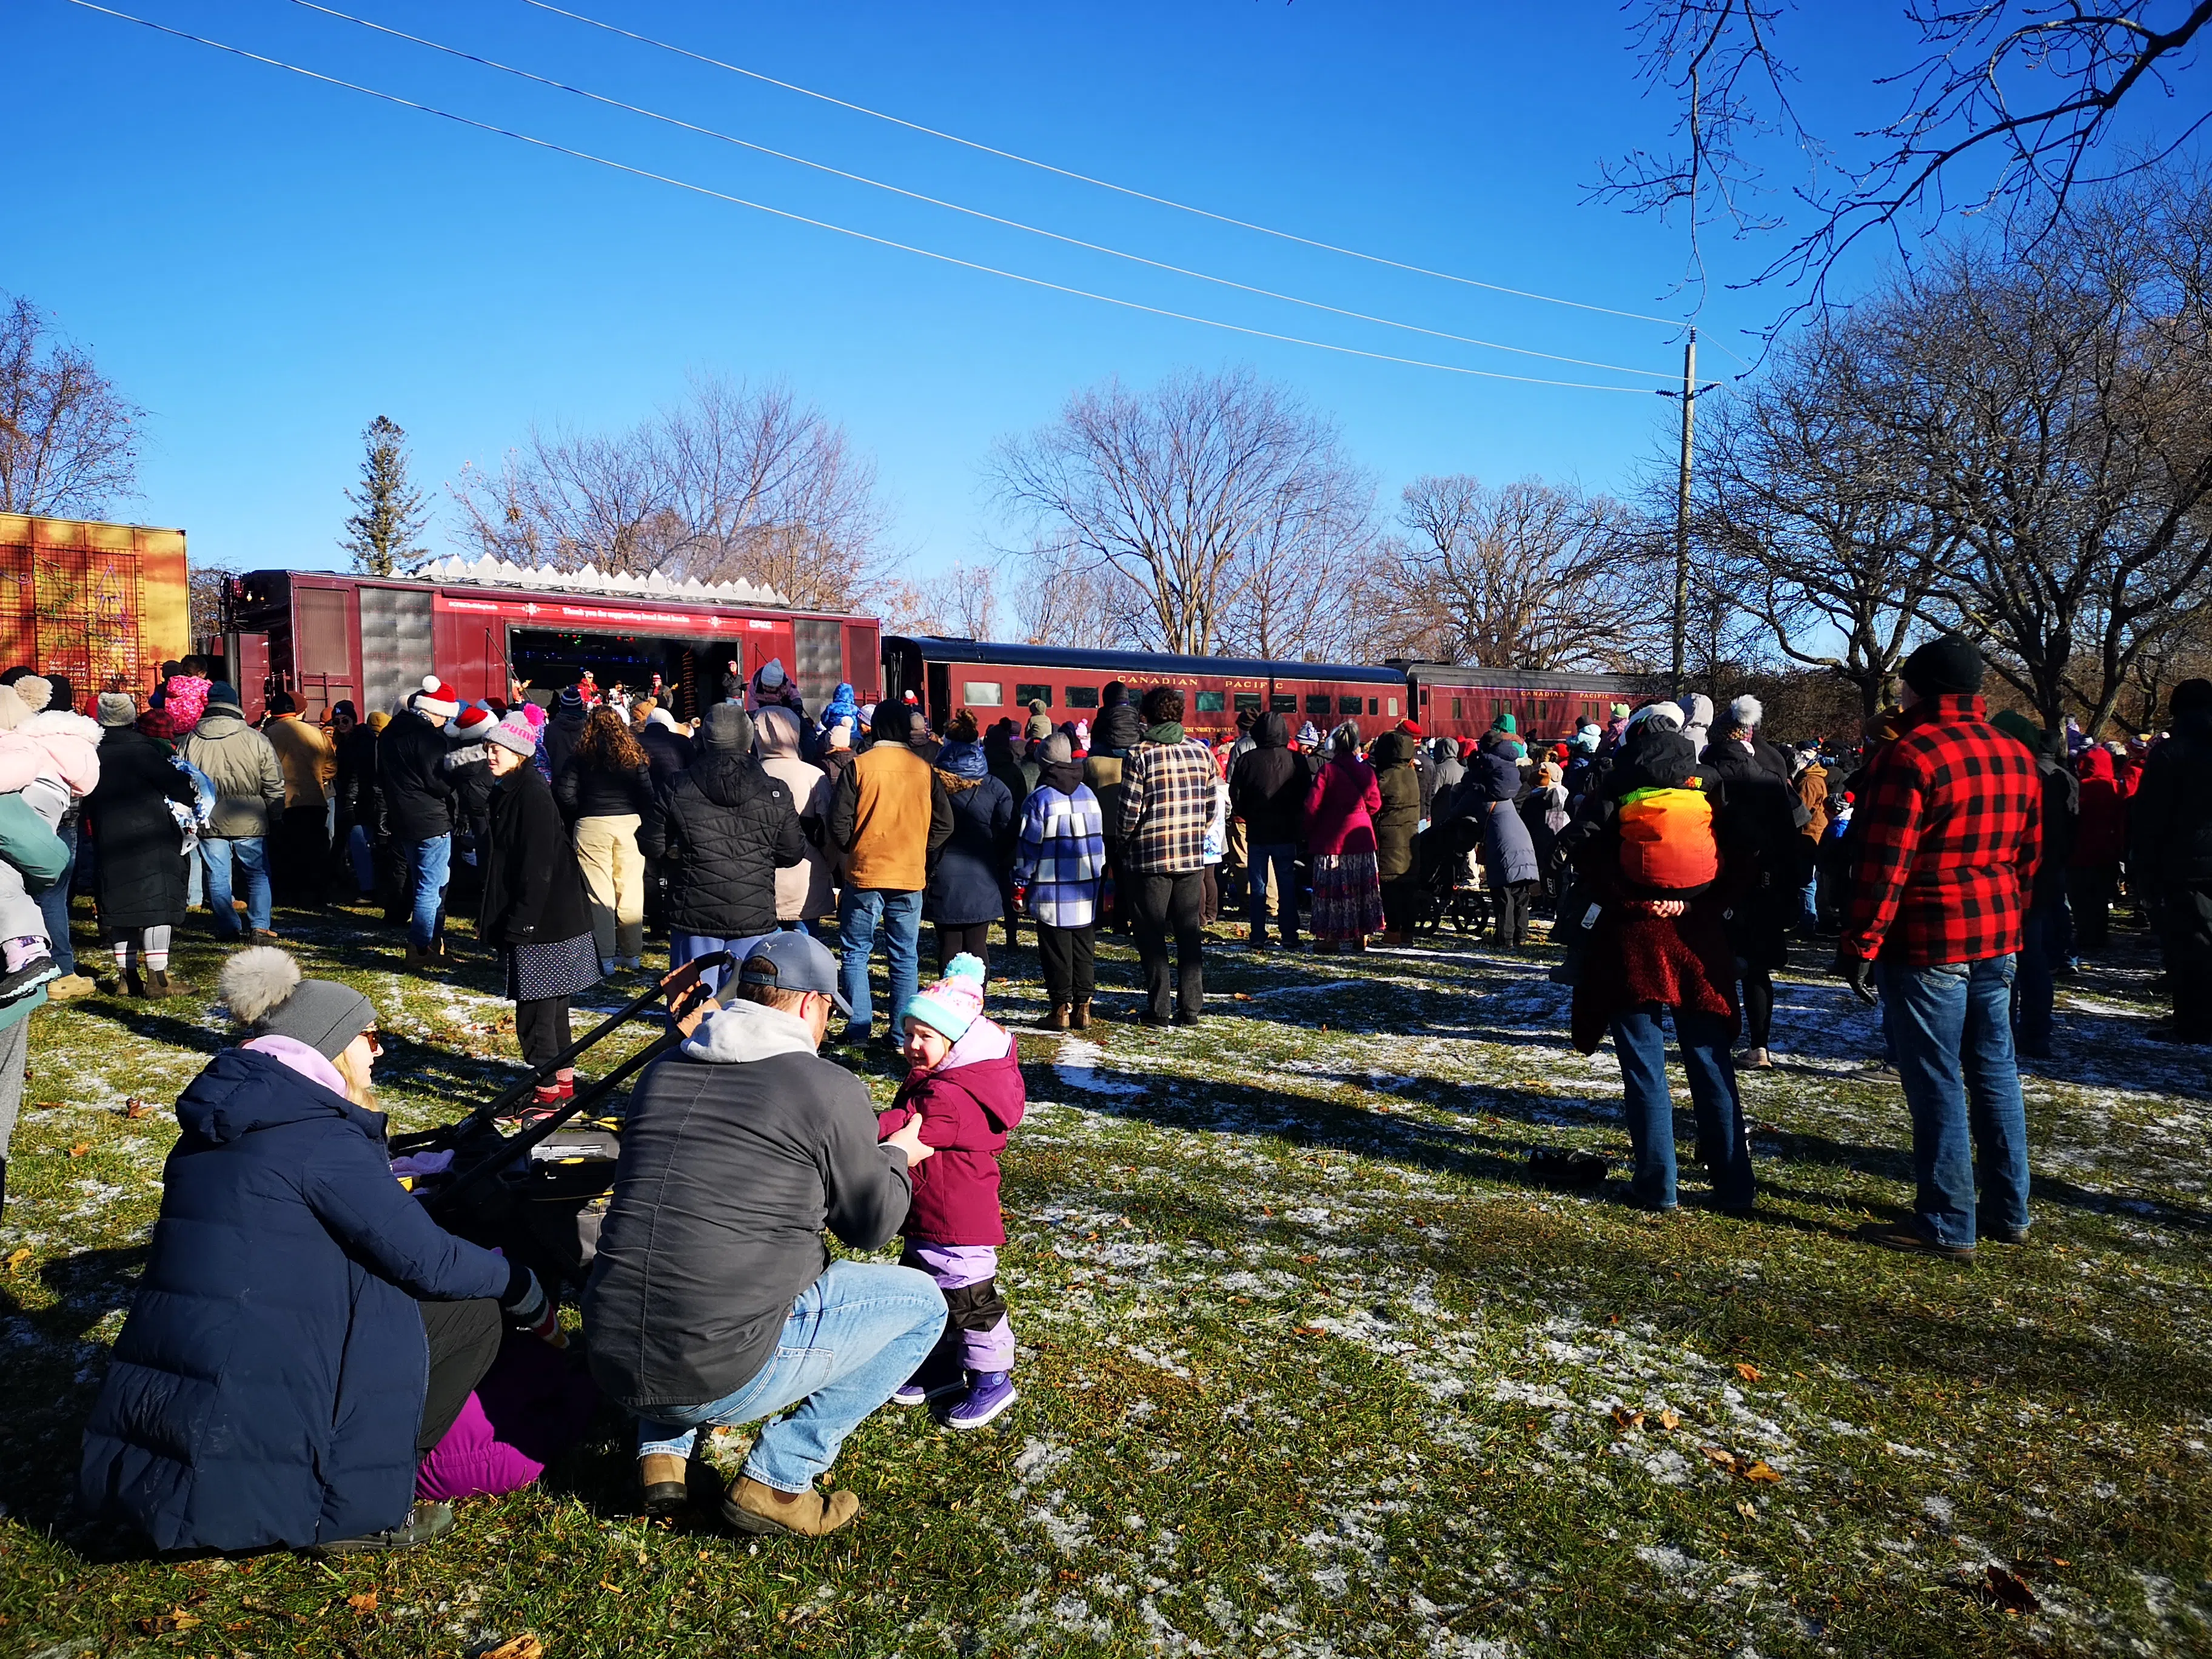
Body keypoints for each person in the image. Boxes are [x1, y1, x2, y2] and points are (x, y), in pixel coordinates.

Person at [78, 947, 560, 1555]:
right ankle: (359, 1500)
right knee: (472, 1311)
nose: (380, 1051)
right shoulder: (319, 1137)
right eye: (371, 1036)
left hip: (192, 1363)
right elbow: (429, 1262)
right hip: (267, 1368)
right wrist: (517, 1280)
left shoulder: (229, 1117)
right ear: (330, 1045)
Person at [582, 933, 944, 1537]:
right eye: (831, 1012)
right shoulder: (826, 1088)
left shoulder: (663, 1072)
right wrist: (896, 1157)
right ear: (810, 1006)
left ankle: (661, 1455)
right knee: (924, 1306)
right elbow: (871, 1226)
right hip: (720, 1368)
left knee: (680, 1249)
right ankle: (779, 1480)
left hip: (612, 1352)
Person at [1837, 634, 2040, 1258]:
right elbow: (2029, 855)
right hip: (1995, 933)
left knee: (1936, 1080)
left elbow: (1883, 865)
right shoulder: (2014, 751)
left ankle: (1949, 1221)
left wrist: (1859, 944)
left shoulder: (1913, 755)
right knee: (1995, 1071)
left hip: (1929, 938)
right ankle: (2010, 1210)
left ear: (1918, 688)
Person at [1568, 720, 1755, 1215]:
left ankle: (1658, 1185)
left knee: (1645, 1066)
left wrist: (1633, 901)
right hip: (1701, 942)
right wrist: (1698, 907)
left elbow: (1589, 856)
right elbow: (1739, 859)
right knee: (1711, 1063)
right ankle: (1735, 1184)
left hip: (1634, 941)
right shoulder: (1709, 783)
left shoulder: (1616, 783)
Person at [878, 954, 1026, 1428]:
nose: (913, 1046)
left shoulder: (952, 1095)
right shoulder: (943, 1078)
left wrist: (855, 1122)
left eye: (927, 1037)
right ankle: (939, 1368)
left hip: (957, 1222)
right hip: (930, 1212)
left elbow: (909, 1128)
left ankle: (992, 1379)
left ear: (956, 1040)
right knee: (925, 1292)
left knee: (967, 1299)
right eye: (908, 1034)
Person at [479, 711, 602, 1114]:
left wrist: (522, 922)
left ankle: (548, 1094)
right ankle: (561, 1087)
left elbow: (537, 865)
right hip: (554, 919)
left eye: (496, 749)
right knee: (552, 1011)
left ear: (518, 752)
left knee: (537, 1017)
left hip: (544, 923)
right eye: (488, 748)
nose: (489, 755)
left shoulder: (529, 793)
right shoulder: (513, 789)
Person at [644, 703, 803, 997]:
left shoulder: (677, 786)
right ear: (747, 740)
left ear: (704, 740)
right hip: (753, 910)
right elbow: (792, 852)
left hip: (695, 912)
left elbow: (652, 844)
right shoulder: (774, 791)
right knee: (745, 1004)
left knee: (690, 1006)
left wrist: (679, 854)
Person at [829, 700, 953, 1050]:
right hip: (909, 874)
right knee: (905, 955)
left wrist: (854, 847)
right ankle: (902, 1034)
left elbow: (838, 824)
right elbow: (945, 824)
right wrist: (922, 850)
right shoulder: (924, 769)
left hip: (865, 872)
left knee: (856, 952)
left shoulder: (859, 766)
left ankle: (858, 1029)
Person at [1704, 696, 1807, 1069]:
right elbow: (1796, 826)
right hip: (1768, 878)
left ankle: (1721, 1036)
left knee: (1719, 959)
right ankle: (1759, 1045)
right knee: (1758, 965)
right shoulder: (1773, 770)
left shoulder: (1709, 770)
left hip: (1722, 876)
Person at [85, 691, 199, 997]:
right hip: (153, 840)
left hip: (109, 839)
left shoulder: (92, 753)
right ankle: (158, 980)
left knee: (120, 909)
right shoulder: (145, 751)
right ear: (132, 716)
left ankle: (127, 979)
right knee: (156, 908)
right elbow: (182, 790)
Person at [1118, 686, 1216, 1025]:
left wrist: (1123, 842)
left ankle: (1159, 1008)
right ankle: (1192, 1008)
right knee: (1189, 933)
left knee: (1151, 935)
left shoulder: (1139, 754)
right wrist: (1194, 832)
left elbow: (1129, 812)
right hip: (1190, 856)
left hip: (1149, 858)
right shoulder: (1202, 753)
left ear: (1148, 714)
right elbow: (1213, 806)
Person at [0, 677, 99, 999]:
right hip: (62, 824)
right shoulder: (74, 742)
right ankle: (61, 969)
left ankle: (38, 960)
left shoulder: (25, 740)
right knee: (53, 898)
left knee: (16, 887)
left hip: (27, 822)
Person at [2130, 679, 2212, 1042]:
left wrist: (2145, 871)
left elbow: (2150, 817)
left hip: (2185, 865)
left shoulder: (2172, 751)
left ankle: (2194, 1025)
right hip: (2193, 857)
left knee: (2190, 948)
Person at [1992, 711, 2077, 1062]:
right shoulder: (2061, 777)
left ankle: (2010, 1034)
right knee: (2033, 960)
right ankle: (2034, 1034)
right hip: (2046, 874)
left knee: (2011, 963)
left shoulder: (2019, 777)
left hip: (2022, 877)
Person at [1013, 732, 1105, 1028]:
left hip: (1050, 891)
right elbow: (1099, 844)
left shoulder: (1039, 799)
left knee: (1056, 951)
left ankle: (1061, 1009)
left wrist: (1019, 885)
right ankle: (1084, 1007)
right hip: (1085, 886)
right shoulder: (1090, 795)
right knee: (1084, 949)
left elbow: (1028, 849)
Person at [182, 682, 285, 945]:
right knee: (257, 874)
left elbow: (181, 779)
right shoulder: (255, 738)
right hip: (250, 817)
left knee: (217, 876)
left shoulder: (191, 739)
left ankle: (228, 927)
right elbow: (273, 780)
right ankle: (260, 927)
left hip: (208, 817)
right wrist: (275, 812)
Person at [556, 706, 654, 974]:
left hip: (592, 825)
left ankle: (605, 956)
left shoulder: (580, 756)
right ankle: (632, 954)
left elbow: (564, 794)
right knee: (631, 888)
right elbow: (648, 795)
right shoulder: (633, 756)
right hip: (629, 824)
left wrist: (582, 810)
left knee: (598, 892)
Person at [381, 677, 463, 970]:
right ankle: (421, 947)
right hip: (431, 820)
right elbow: (439, 783)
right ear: (437, 711)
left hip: (402, 817)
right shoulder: (429, 738)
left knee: (426, 883)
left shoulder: (390, 732)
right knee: (432, 887)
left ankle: (432, 942)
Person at [925, 716, 1016, 979]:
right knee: (978, 945)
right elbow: (1010, 828)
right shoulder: (995, 786)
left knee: (948, 945)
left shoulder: (934, 784)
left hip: (942, 871)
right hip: (983, 872)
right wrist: (998, 857)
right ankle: (976, 1001)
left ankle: (950, 1001)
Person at [754, 705, 837, 931]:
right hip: (807, 875)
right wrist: (827, 865)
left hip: (760, 880)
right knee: (806, 952)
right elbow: (830, 832)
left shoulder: (751, 776)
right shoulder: (814, 775)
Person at [1304, 725, 1383, 954]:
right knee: (1362, 889)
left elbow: (1312, 806)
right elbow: (1375, 804)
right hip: (1362, 837)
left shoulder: (1327, 771)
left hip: (1333, 840)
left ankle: (1331, 937)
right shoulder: (1367, 771)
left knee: (1334, 891)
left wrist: (1309, 830)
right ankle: (1362, 934)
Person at [1230, 712, 1305, 948]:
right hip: (1285, 831)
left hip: (1257, 831)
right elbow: (1306, 794)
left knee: (1258, 885)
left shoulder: (1247, 760)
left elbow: (1236, 794)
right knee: (1286, 884)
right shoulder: (1297, 760)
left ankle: (1258, 935)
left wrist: (1249, 814)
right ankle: (1290, 934)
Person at [263, 691, 335, 905]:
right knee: (315, 851)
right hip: (314, 801)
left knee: (286, 852)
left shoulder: (267, 735)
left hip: (282, 802)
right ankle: (317, 895)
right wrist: (315, 779)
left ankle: (288, 895)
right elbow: (331, 768)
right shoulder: (316, 734)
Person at [1473, 746, 1541, 948]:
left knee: (1503, 896)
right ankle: (1521, 936)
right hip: (1524, 847)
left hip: (1505, 852)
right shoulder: (1510, 800)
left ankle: (1505, 938)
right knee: (1520, 894)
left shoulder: (1487, 801)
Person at [2068, 742, 2127, 953]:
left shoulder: (2079, 787)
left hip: (2081, 851)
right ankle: (2100, 935)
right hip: (2107, 850)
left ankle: (2085, 935)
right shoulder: (2114, 788)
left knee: (2082, 896)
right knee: (2102, 896)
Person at [443, 704, 499, 917]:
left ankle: (463, 897)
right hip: (489, 810)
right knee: (489, 858)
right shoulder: (491, 758)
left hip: (467, 813)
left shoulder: (456, 761)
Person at [1371, 729, 1422, 945]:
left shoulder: (1385, 777)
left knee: (1390, 889)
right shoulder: (1411, 774)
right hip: (1409, 837)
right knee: (1407, 889)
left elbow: (1372, 801)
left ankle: (1393, 932)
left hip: (1390, 839)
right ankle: (1407, 932)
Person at [330, 700, 380, 902]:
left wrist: (350, 802)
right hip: (355, 798)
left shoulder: (361, 741)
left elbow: (358, 775)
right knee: (355, 841)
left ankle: (368, 888)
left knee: (359, 840)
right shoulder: (348, 741)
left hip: (362, 799)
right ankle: (362, 884)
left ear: (353, 719)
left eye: (345, 720)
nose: (341, 724)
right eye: (337, 721)